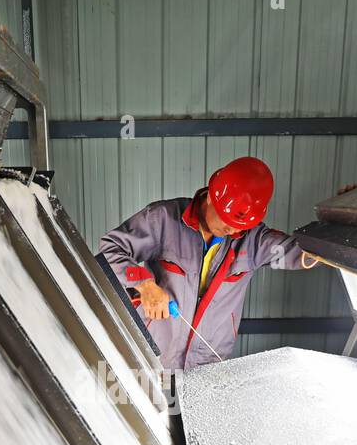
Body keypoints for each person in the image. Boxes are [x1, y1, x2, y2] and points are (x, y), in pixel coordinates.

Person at [97, 156, 319, 369]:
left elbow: (306, 254)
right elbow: (111, 248)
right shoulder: (163, 220)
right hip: (155, 356)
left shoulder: (253, 241)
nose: (234, 230)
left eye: (240, 225)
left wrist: (346, 221)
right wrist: (144, 285)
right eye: (228, 220)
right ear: (212, 196)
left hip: (209, 363)